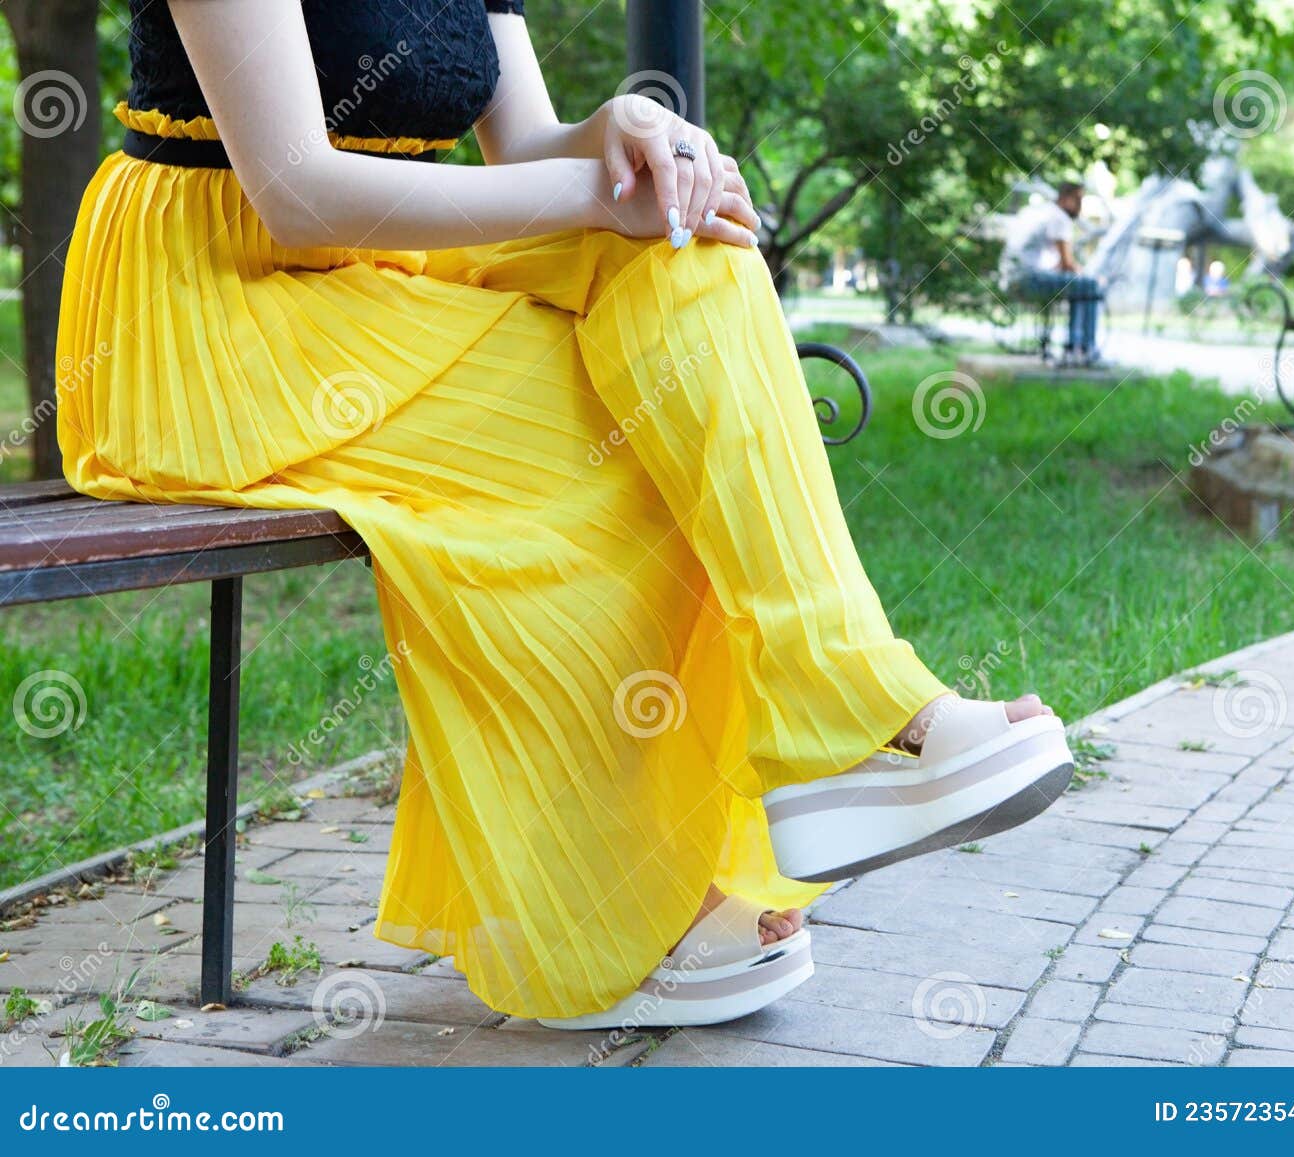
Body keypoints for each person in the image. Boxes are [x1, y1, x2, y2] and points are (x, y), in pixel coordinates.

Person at [56, 1, 1075, 1030]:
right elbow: (297, 193)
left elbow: (528, 147)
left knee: (690, 254)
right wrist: (593, 191)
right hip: (211, 316)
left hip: (381, 280)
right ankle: (614, 909)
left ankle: (840, 710)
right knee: (606, 445)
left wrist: (621, 137)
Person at [999, 181, 1103, 361]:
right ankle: (1084, 348)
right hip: (1028, 279)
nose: (1080, 206)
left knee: (1080, 285)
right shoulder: (1059, 218)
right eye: (1078, 200)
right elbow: (1068, 264)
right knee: (1089, 285)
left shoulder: (1039, 211)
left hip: (1010, 278)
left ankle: (1076, 345)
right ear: (1065, 198)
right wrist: (1091, 277)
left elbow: (1055, 264)